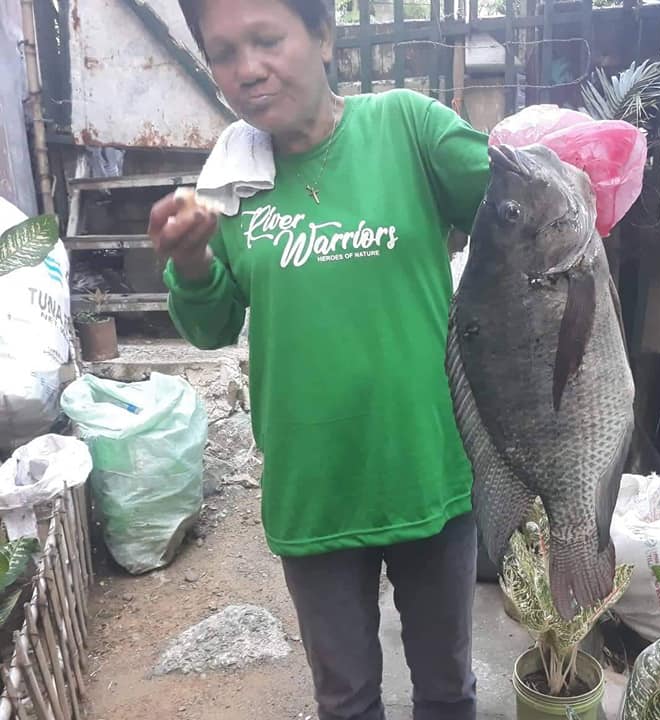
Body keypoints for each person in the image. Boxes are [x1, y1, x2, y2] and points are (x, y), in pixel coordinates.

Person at [148, 1, 490, 719]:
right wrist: (190, 260)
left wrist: (550, 160)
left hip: (428, 470)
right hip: (315, 491)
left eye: (267, 40)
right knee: (345, 699)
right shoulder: (228, 185)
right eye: (224, 53)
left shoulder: (407, 127)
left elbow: (515, 200)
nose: (247, 70)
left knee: (447, 690)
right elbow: (212, 329)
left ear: (325, 34)